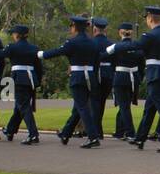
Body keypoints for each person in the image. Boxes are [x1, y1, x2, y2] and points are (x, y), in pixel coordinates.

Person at [110, 6, 160, 151]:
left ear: (149, 18)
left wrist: (114, 48)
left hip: (155, 75)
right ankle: (140, 138)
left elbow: (135, 46)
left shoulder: (149, 36)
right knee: (149, 109)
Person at [38, 15, 102, 148]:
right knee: (79, 107)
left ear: (75, 27)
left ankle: (93, 137)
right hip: (90, 76)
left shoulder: (72, 42)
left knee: (82, 107)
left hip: (78, 77)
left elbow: (57, 52)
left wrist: (41, 54)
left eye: (71, 26)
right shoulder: (93, 42)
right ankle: (66, 133)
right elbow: (97, 62)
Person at [0, 24, 43, 144]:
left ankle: (33, 134)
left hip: (20, 79)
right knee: (19, 107)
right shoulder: (34, 48)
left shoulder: (13, 47)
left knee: (24, 107)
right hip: (31, 79)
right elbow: (39, 68)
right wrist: (38, 81)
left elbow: (1, 53)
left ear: (17, 35)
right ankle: (10, 129)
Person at [110, 22, 141, 139]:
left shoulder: (116, 47)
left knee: (124, 107)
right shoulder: (137, 47)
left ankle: (130, 132)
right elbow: (141, 64)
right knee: (125, 105)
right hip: (133, 78)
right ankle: (120, 131)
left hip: (120, 78)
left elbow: (111, 62)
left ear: (120, 33)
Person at [89, 17, 113, 142]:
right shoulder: (111, 44)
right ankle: (98, 130)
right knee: (101, 103)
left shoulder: (91, 43)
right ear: (105, 30)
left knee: (94, 103)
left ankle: (96, 131)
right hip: (108, 74)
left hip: (95, 74)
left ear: (94, 29)